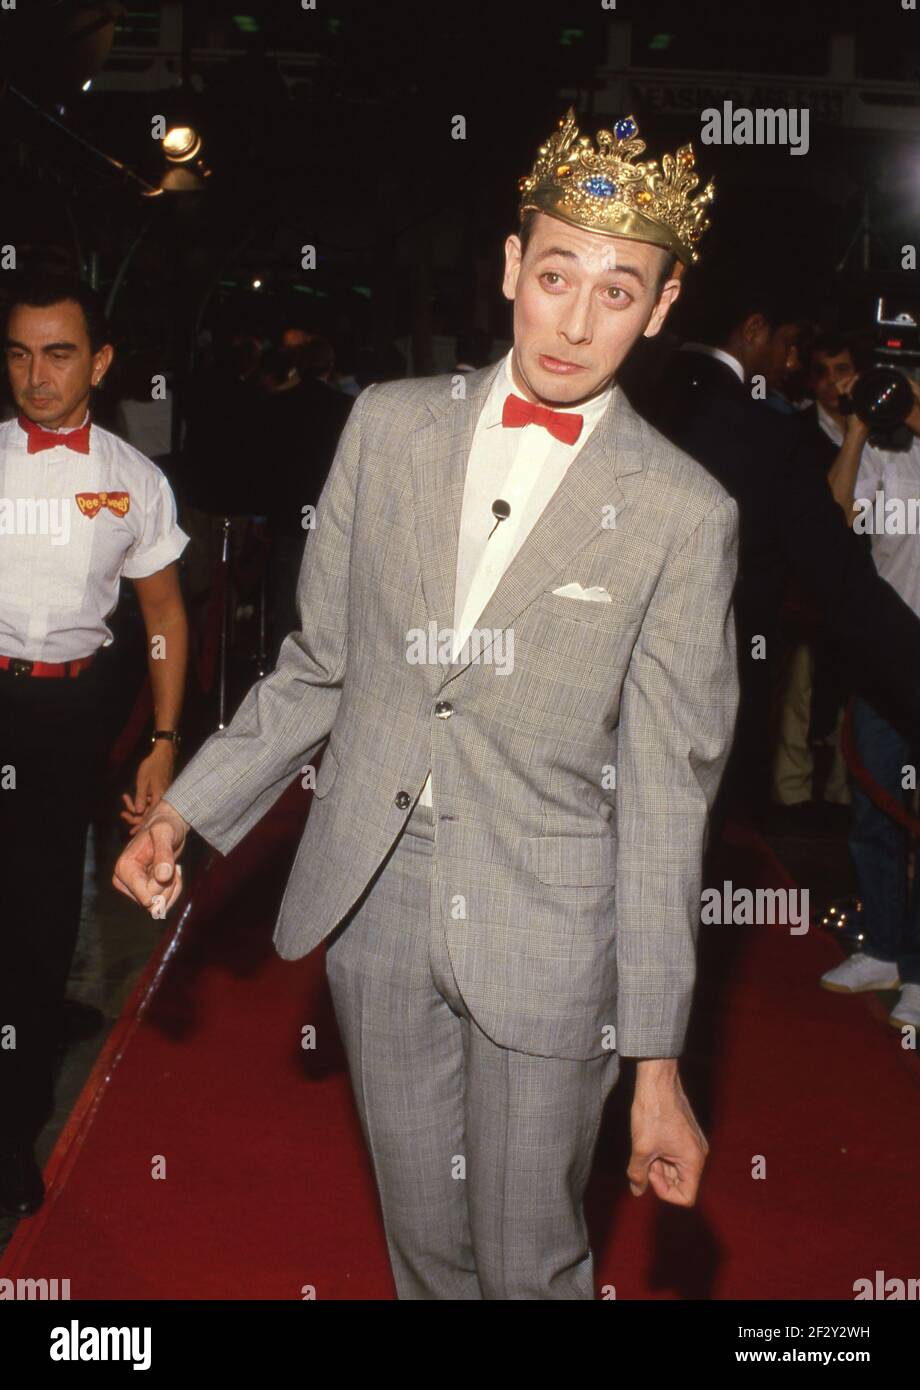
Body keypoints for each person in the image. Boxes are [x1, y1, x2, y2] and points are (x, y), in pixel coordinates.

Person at [113, 108, 739, 1300]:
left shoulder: (683, 513)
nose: (575, 320)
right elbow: (319, 664)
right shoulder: (388, 426)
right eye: (554, 275)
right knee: (423, 1253)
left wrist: (656, 1061)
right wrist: (184, 811)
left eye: (616, 291)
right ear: (509, 266)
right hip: (377, 900)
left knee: (527, 1262)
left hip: (548, 932)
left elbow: (667, 805)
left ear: (660, 309)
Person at [0, 272, 189, 1216]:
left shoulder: (133, 480)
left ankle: (11, 1134)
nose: (37, 377)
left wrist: (163, 738)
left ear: (101, 362)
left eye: (60, 354)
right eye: (20, 355)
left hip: (66, 717)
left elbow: (164, 617)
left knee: (38, 925)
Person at [646, 268, 920, 834]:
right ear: (754, 330)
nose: (792, 364)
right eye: (790, 345)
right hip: (715, 692)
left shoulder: (640, 395)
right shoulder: (766, 433)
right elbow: (842, 579)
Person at [813, 343, 920, 1030]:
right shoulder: (883, 447)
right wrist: (857, 425)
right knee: (874, 803)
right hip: (891, 650)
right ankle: (882, 948)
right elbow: (835, 514)